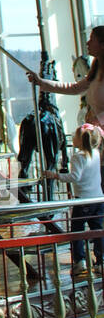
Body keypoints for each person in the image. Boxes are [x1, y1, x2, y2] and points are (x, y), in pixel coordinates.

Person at [45, 124, 104, 279]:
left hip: (83, 200)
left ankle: (80, 261)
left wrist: (56, 175)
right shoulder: (96, 154)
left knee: (77, 230)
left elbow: (75, 177)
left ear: (80, 140)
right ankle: (100, 261)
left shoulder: (78, 157)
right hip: (98, 198)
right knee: (97, 230)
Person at [27, 28, 104, 128]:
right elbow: (73, 88)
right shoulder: (96, 70)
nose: (87, 43)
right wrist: (41, 82)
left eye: (92, 40)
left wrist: (99, 119)